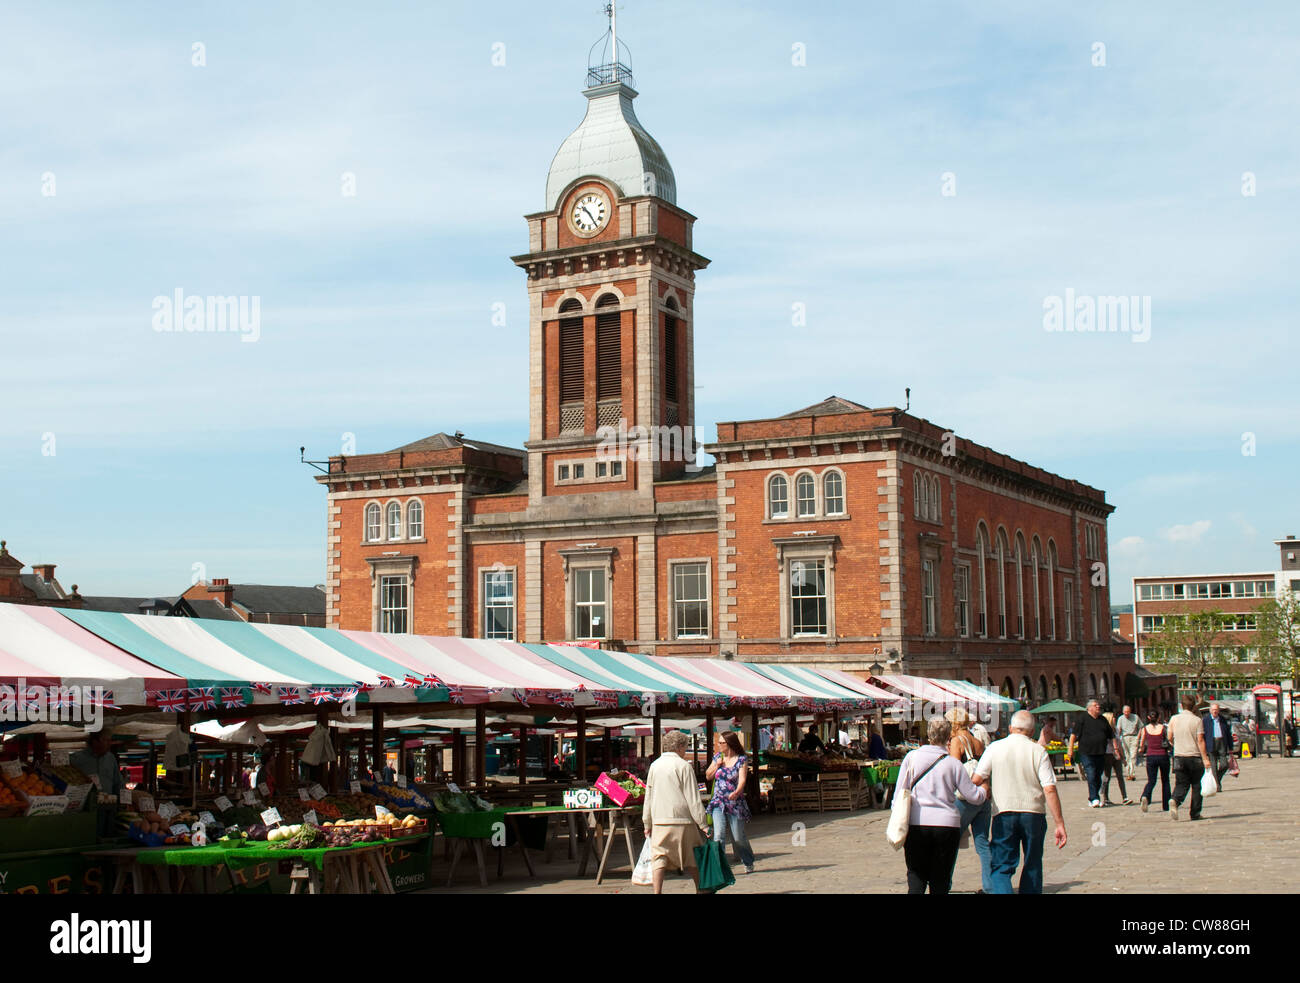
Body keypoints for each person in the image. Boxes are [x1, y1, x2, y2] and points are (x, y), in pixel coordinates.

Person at [971, 709, 1067, 894]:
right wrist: (1059, 823)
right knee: (1032, 863)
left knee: (1000, 866)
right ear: (1032, 731)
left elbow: (976, 779)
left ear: (1010, 728)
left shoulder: (995, 747)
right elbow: (1049, 788)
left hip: (1003, 812)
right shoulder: (1038, 751)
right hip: (1033, 813)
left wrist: (986, 786)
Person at [895, 717, 986, 895]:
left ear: (928, 735)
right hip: (946, 825)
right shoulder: (953, 764)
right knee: (940, 879)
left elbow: (899, 793)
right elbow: (972, 796)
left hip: (917, 823)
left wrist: (898, 815)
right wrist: (983, 790)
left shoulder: (911, 758)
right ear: (948, 737)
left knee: (916, 876)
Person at [642, 730, 709, 894]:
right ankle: (700, 889)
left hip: (660, 819)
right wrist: (703, 823)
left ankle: (657, 892)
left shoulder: (654, 766)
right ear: (679, 747)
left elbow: (648, 796)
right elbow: (692, 797)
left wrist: (647, 822)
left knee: (658, 858)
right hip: (682, 819)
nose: (685, 750)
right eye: (685, 747)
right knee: (692, 856)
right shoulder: (684, 766)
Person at [946, 708, 992, 895]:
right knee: (982, 842)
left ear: (954, 724)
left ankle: (944, 883)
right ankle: (990, 886)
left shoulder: (958, 741)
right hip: (983, 798)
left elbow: (954, 771)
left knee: (949, 841)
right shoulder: (978, 741)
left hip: (964, 799)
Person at [705, 732, 755, 874]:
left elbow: (742, 780)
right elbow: (708, 776)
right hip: (718, 802)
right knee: (719, 835)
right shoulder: (717, 758)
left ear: (730, 744)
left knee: (738, 836)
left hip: (735, 803)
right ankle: (720, 866)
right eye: (719, 743)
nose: (719, 745)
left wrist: (737, 792)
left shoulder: (741, 760)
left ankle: (748, 860)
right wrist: (717, 766)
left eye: (722, 743)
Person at [1066, 699, 1120, 808]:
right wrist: (1070, 749)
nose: (1098, 707)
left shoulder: (1103, 720)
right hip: (1086, 752)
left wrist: (1116, 749)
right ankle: (1094, 798)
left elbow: (1112, 735)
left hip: (1100, 752)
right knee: (1090, 774)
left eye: (1098, 705)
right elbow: (1073, 735)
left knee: (1098, 775)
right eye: (1095, 705)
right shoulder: (1082, 719)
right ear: (1089, 708)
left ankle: (1093, 797)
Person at [1169, 694, 1213, 821]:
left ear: (1181, 706)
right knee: (1196, 785)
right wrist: (1205, 758)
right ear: (1193, 706)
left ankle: (1175, 800)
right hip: (1194, 756)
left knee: (1181, 783)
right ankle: (1195, 812)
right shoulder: (1197, 720)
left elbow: (1170, 737)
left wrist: (1175, 744)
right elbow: (1200, 741)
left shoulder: (1174, 719)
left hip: (1179, 756)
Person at [70, 733, 124, 797]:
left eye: (110, 740)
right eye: (106, 740)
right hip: (85, 804)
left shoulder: (110, 758)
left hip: (107, 804)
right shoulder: (76, 759)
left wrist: (123, 801)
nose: (110, 744)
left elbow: (118, 782)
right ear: (95, 742)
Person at [1138, 709, 1171, 813]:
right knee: (1165, 781)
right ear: (1159, 718)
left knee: (1151, 780)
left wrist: (1141, 750)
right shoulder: (1163, 728)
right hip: (1163, 756)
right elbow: (1169, 740)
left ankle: (1145, 796)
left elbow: (1142, 744)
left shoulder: (1145, 729)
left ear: (1148, 717)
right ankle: (1166, 805)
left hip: (1151, 756)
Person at [1202, 702, 1236, 792]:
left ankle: (1217, 778)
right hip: (1211, 743)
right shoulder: (1205, 720)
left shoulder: (1223, 719)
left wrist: (1230, 746)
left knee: (1225, 764)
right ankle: (1217, 786)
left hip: (1222, 742)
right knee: (1213, 765)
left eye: (1216, 710)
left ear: (1219, 710)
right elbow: (1203, 735)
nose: (1215, 711)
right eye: (1213, 710)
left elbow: (1228, 734)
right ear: (1210, 710)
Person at [1101, 712, 1131, 805]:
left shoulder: (1116, 730)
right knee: (1107, 777)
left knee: (1120, 776)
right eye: (1113, 717)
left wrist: (1123, 758)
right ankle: (1105, 798)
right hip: (1107, 755)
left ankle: (1125, 797)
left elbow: (1119, 744)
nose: (1115, 719)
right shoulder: (1103, 730)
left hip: (1116, 755)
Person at [1116, 705, 1143, 780]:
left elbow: (1141, 727)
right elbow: (1118, 729)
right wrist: (1118, 739)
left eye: (1128, 712)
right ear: (1123, 712)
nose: (1126, 713)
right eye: (1125, 712)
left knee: (1133, 755)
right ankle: (1128, 773)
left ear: (1130, 711)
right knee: (1126, 756)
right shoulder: (1120, 718)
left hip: (1134, 736)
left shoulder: (1135, 717)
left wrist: (1138, 737)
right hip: (1125, 737)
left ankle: (1132, 773)